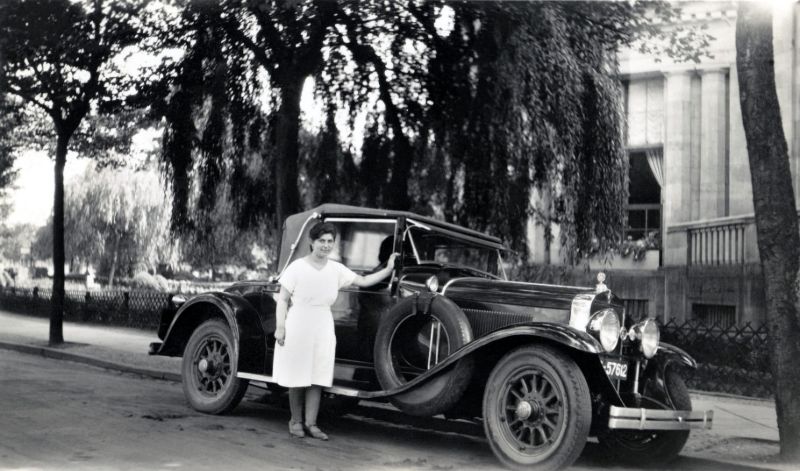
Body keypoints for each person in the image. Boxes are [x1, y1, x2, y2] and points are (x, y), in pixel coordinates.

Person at [273, 222, 398, 440]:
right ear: (311, 242)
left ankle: (311, 424)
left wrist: (388, 269)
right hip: (299, 323)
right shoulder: (297, 267)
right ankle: (295, 421)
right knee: (298, 376)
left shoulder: (336, 269)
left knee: (317, 376)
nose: (326, 245)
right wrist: (281, 327)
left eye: (330, 241)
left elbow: (364, 281)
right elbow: (282, 300)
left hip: (323, 324)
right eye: (321, 241)